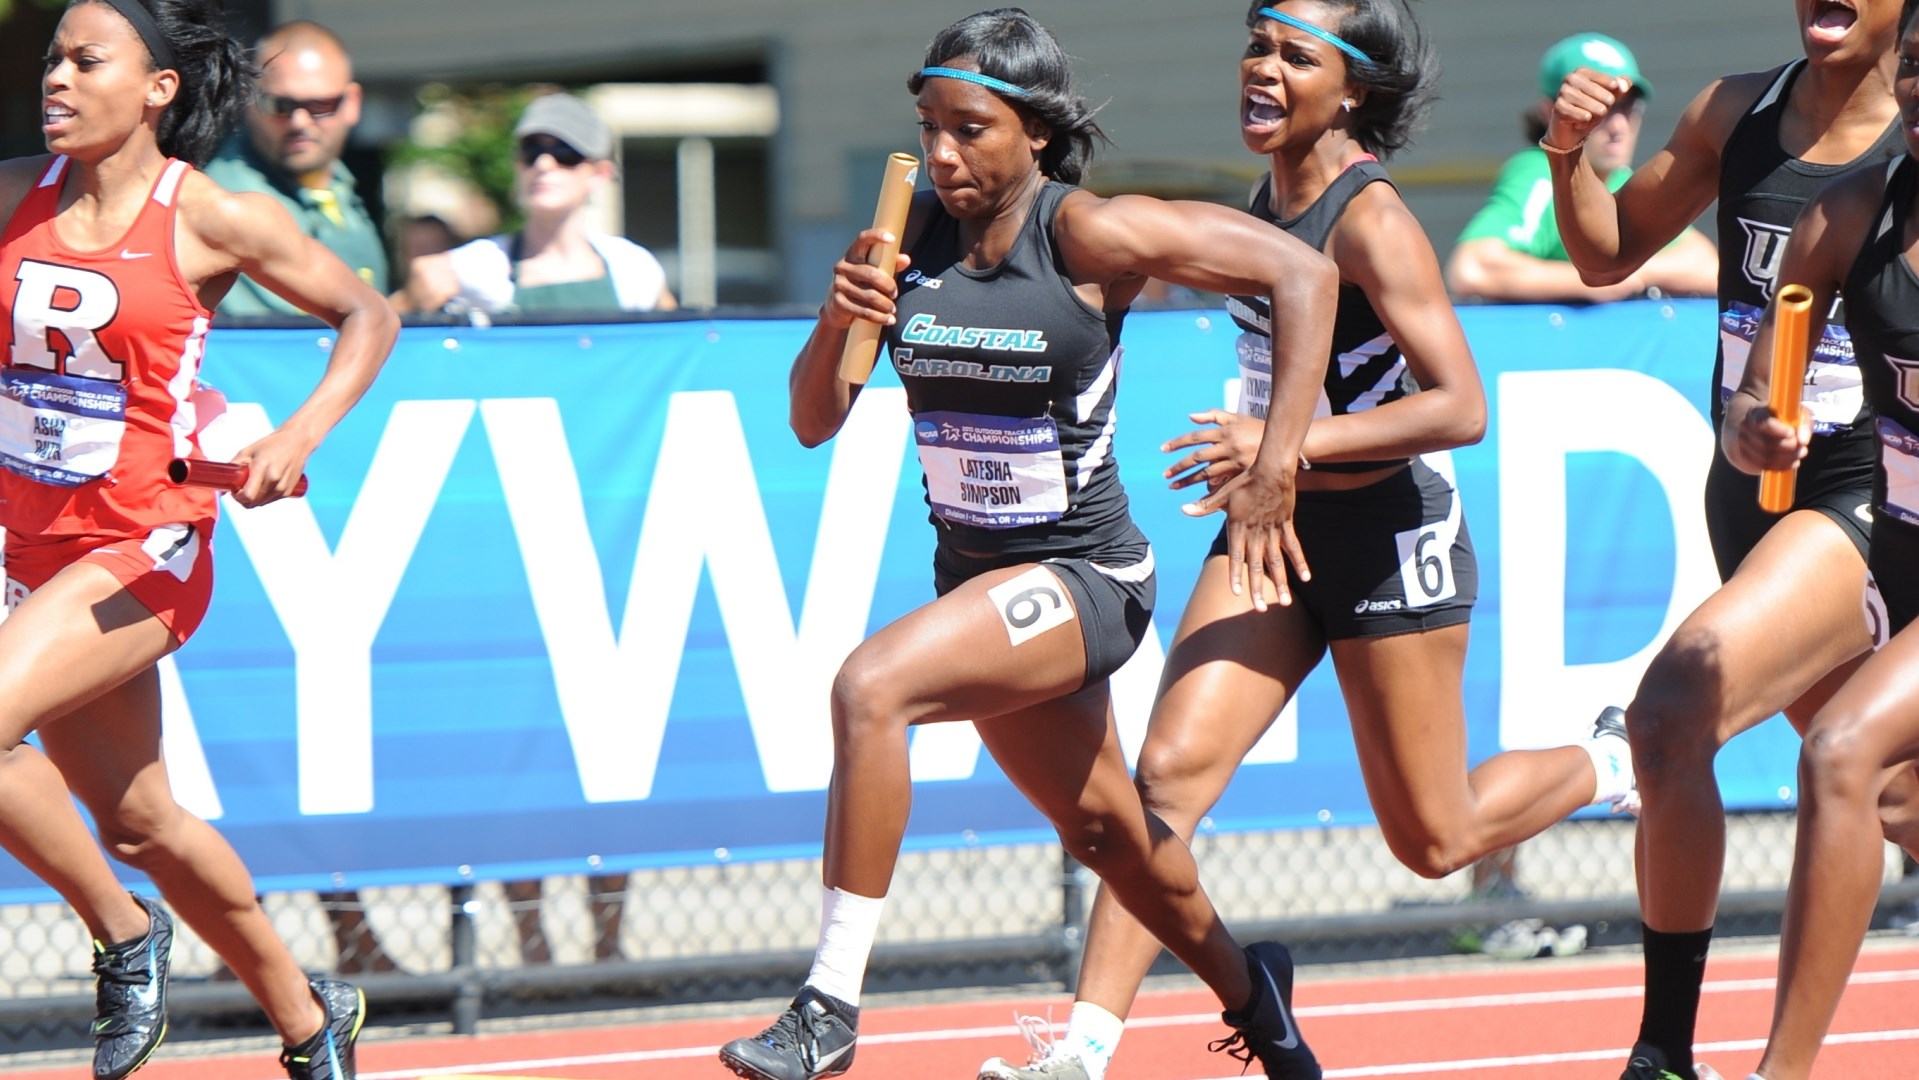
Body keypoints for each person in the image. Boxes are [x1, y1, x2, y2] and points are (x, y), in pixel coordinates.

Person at [976, 5, 1643, 1079]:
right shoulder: (1264, 195)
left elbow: (1459, 406)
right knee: (1167, 782)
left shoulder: (1371, 218)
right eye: (1255, 46)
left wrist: (1280, 441)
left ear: (1356, 91)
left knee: (1433, 842)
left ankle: (1613, 755)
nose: (1262, 69)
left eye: (1295, 55)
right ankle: (1082, 1050)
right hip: (1275, 528)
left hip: (1389, 529)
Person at [718, 8, 1344, 1080]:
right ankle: (1258, 997)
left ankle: (827, 1006)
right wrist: (837, 317)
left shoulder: (1090, 233)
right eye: (931, 126)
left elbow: (1305, 277)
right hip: (979, 579)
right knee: (1106, 833)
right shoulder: (902, 233)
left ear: (1037, 134)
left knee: (871, 687)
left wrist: (1277, 460)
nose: (947, 154)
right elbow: (812, 419)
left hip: (1086, 579)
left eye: (971, 129)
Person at [0, 1, 398, 1077]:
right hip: (33, 551)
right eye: (52, 61)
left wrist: (297, 432)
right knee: (140, 825)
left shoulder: (211, 217)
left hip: (145, 544)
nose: (58, 80)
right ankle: (311, 1019)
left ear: (158, 88)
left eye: (88, 61)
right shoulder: (11, 195)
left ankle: (126, 937)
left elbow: (369, 315)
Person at [1542, 2, 1919, 1077]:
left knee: (1674, 723)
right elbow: (1605, 253)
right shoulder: (1731, 111)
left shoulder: (1899, 154)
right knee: (1890, 797)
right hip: (1746, 485)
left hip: (1853, 499)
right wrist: (1566, 152)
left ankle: (1666, 1054)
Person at [1724, 6, 1919, 1075]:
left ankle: (1779, 1072)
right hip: (1894, 556)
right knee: (1892, 797)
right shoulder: (1845, 213)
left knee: (1840, 752)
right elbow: (1758, 397)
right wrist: (1760, 427)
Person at [1446, 32, 1716, 303]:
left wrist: (1626, 271)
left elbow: (1707, 265)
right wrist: (1593, 281)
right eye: (1601, 107)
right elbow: (1472, 268)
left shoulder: (1620, 179)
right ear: (1550, 112)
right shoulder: (1539, 173)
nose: (1619, 126)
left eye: (1629, 106)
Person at [401, 93, 677, 316]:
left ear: (600, 173)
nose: (544, 164)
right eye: (531, 152)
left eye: (564, 153)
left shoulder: (631, 268)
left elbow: (681, 353)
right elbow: (378, 327)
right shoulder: (479, 266)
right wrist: (411, 301)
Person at [201, 20, 386, 317]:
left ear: (352, 103)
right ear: (249, 101)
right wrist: (410, 307)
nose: (300, 122)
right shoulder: (231, 201)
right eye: (280, 105)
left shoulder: (337, 182)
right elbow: (301, 340)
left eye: (320, 104)